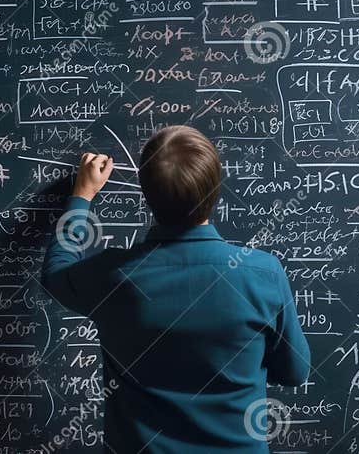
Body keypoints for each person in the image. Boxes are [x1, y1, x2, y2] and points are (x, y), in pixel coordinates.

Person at [41, 125, 311, 453]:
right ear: (215, 188)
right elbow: (294, 372)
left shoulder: (113, 276)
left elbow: (56, 272)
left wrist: (82, 197)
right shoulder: (262, 274)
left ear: (145, 192)